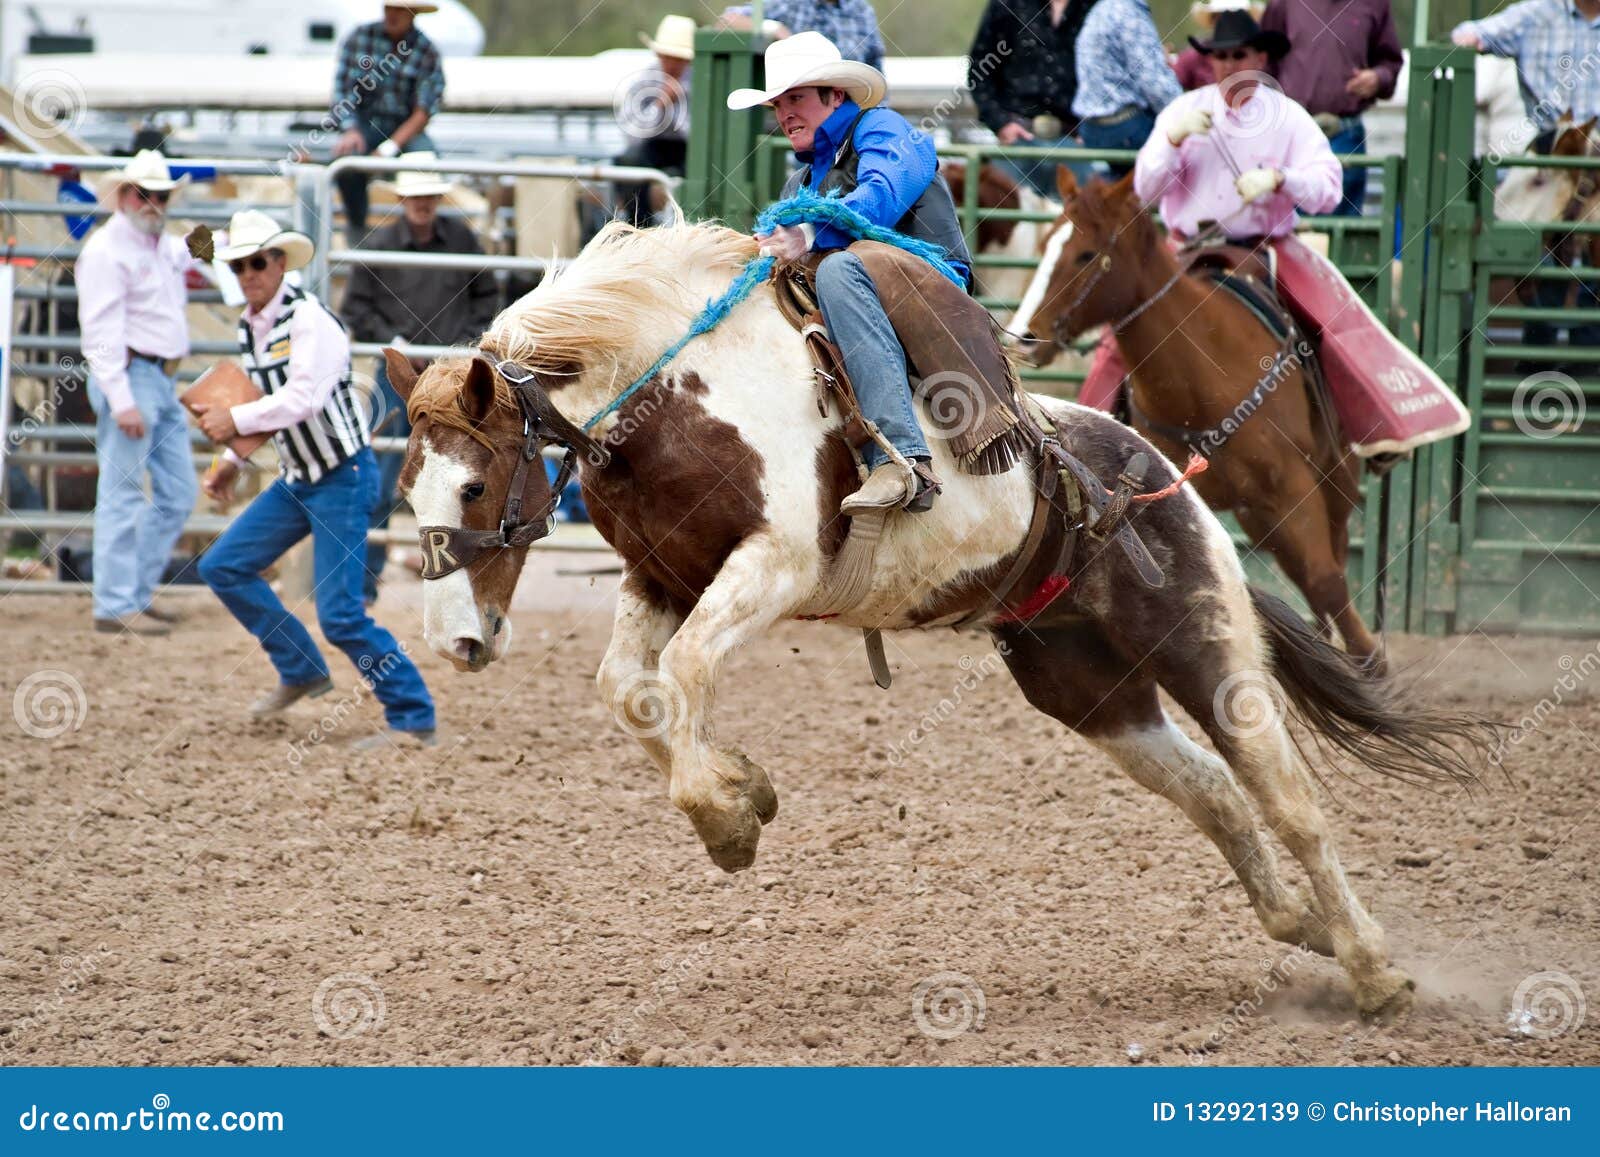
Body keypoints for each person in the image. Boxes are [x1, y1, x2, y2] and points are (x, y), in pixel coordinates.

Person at [193, 210, 436, 748]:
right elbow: (266, 403)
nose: (248, 273)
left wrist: (233, 424)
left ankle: (413, 715)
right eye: (239, 266)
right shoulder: (252, 325)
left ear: (280, 263)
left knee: (342, 615)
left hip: (340, 477)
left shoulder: (310, 321)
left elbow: (303, 399)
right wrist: (233, 462)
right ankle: (301, 668)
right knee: (224, 567)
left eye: (257, 262)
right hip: (301, 476)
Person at [730, 32, 972, 514]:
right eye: (777, 104)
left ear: (835, 95)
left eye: (795, 98)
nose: (784, 115)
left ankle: (902, 457)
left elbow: (882, 194)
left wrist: (812, 232)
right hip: (857, 291)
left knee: (839, 269)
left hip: (930, 284)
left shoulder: (883, 128)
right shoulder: (800, 180)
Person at [342, 156, 499, 603]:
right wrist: (392, 341)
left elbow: (486, 295)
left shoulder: (461, 239)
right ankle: (365, 583)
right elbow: (356, 307)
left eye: (428, 196)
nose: (422, 204)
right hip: (401, 378)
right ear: (403, 200)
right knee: (385, 477)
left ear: (436, 198)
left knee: (461, 480)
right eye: (415, 197)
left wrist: (465, 343)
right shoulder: (382, 242)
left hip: (451, 379)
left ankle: (460, 581)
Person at [75, 149, 201, 636]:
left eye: (162, 195)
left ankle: (133, 594)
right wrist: (121, 397)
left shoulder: (164, 244)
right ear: (125, 195)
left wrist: (242, 246)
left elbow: (203, 250)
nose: (154, 202)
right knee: (124, 493)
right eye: (145, 193)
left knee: (178, 494)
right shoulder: (106, 251)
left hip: (160, 377)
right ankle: (114, 603)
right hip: (130, 374)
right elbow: (100, 333)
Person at [1454, 0, 1600, 357]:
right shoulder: (1536, 14)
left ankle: (1586, 347)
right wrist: (1470, 38)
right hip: (1551, 152)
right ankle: (1540, 345)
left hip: (1596, 157)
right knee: (1518, 233)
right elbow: (1469, 34)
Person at [1262, 0, 1404, 216]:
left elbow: (1390, 63)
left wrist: (1378, 78)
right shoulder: (1282, 4)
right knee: (1287, 225)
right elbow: (1263, 60)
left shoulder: (1375, 4)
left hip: (1345, 133)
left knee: (1343, 230)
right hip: (1291, 134)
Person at [331, 3, 446, 237]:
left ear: (413, 14)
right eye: (389, 8)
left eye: (400, 9)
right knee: (347, 164)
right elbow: (342, 93)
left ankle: (422, 235)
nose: (392, 14)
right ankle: (357, 229)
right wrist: (350, 129)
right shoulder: (359, 37)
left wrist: (389, 148)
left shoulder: (426, 50)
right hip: (364, 124)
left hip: (406, 129)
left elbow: (423, 111)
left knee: (425, 164)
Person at [968, 0, 1101, 195]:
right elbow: (979, 71)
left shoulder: (1098, 7)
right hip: (1017, 142)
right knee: (1006, 216)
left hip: (1075, 143)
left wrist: (1093, 127)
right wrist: (1001, 123)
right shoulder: (1007, 5)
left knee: (1087, 217)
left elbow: (1110, 73)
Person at [1072, 0, 1182, 178]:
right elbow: (1155, 85)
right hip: (1126, 129)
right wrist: (1187, 113)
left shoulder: (1100, 9)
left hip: (1092, 130)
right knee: (1191, 153)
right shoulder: (1130, 14)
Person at [615, 15, 695, 227]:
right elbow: (632, 133)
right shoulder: (644, 80)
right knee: (628, 161)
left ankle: (694, 224)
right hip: (653, 146)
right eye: (667, 56)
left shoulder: (699, 81)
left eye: (679, 58)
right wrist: (661, 104)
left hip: (689, 149)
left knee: (705, 165)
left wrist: (679, 105)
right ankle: (639, 226)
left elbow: (697, 133)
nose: (671, 63)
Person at [720, 1, 885, 70]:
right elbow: (727, 19)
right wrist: (775, 28)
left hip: (851, 111)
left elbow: (875, 64)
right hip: (803, 107)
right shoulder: (790, 3)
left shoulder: (861, 10)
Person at [1173, 1, 1261, 90]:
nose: (1227, 24)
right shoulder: (1193, 57)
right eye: (1221, 17)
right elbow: (1171, 85)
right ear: (1212, 20)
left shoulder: (1259, 55)